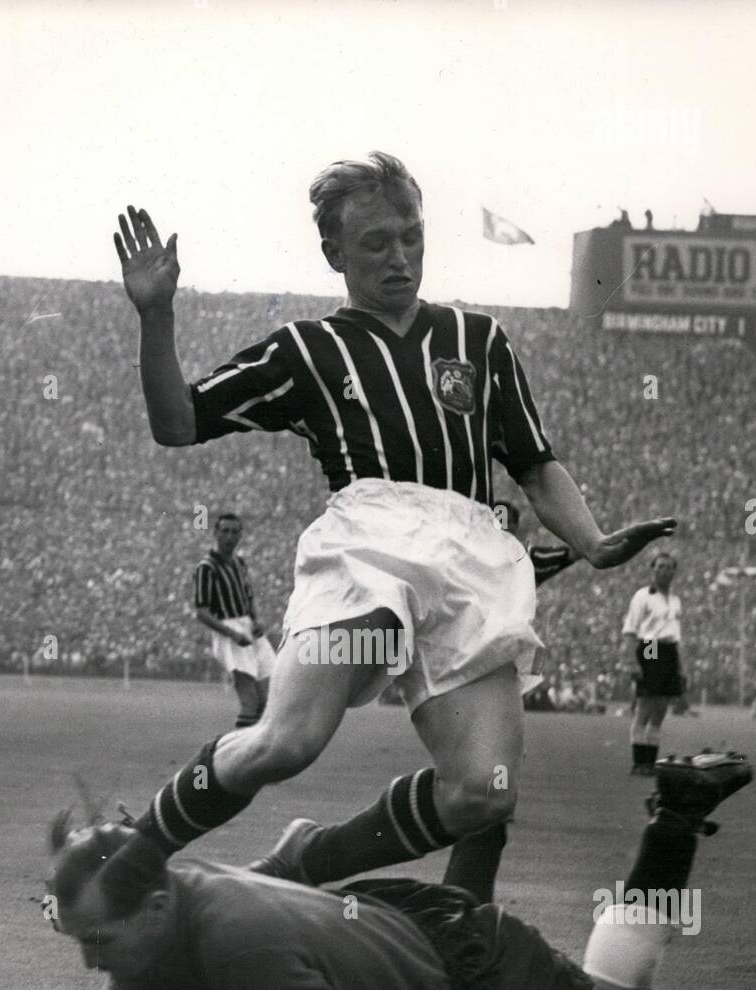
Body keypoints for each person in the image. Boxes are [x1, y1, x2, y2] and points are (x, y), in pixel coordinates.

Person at [107, 152, 675, 897]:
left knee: (485, 791)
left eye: (410, 235)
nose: (399, 256)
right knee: (288, 742)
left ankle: (309, 860)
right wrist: (157, 316)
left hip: (473, 554)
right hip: (371, 543)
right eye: (376, 242)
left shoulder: (481, 342)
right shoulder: (306, 350)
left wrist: (594, 543)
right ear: (334, 253)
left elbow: (535, 464)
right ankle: (135, 854)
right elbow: (178, 423)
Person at [32, 751, 752, 990]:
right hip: (396, 920)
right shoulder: (157, 905)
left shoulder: (238, 944)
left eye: (97, 940)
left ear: (151, 909)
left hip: (465, 972)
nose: (94, 962)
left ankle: (676, 819)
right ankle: (483, 822)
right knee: (439, 927)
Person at [441, 499, 576, 901]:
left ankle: (491, 797)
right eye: (496, 517)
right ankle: (478, 797)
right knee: (474, 731)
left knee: (505, 734)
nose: (502, 524)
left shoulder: (526, 560)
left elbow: (571, 552)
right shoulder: (465, 555)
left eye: (509, 520)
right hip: (470, 654)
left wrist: (593, 538)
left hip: (509, 657)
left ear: (517, 526)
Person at [193, 513, 275, 728]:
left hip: (247, 627)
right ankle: (237, 758)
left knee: (268, 700)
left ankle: (253, 753)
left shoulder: (240, 563)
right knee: (250, 701)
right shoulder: (207, 567)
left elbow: (248, 598)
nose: (230, 536)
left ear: (240, 535)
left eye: (234, 531)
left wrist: (256, 621)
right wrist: (232, 634)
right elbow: (202, 612)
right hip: (228, 630)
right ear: (216, 533)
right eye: (225, 531)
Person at [622, 552, 684, 776]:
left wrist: (680, 667)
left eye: (669, 567)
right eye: (660, 566)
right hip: (650, 647)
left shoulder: (675, 600)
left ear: (674, 571)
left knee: (660, 710)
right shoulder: (643, 596)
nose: (664, 571)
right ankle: (639, 763)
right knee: (646, 706)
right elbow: (631, 630)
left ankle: (650, 763)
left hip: (668, 651)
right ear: (653, 569)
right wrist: (633, 662)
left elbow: (676, 636)